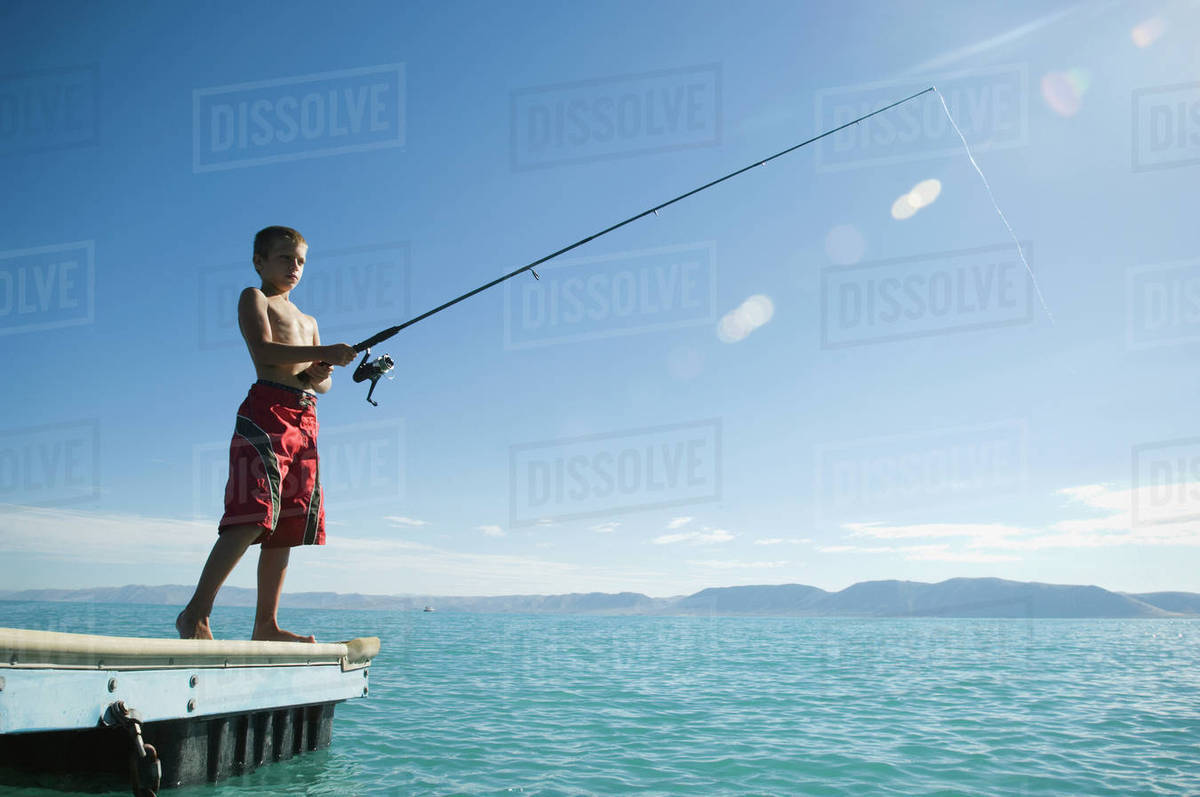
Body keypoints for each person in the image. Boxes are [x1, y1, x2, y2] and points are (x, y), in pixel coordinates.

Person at [177, 226, 356, 642]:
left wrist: (319, 370)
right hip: (267, 412)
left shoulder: (309, 321)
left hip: (305, 418)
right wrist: (322, 354)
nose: (294, 267)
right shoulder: (253, 298)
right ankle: (196, 613)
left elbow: (321, 385)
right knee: (252, 514)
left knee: (288, 526)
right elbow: (263, 352)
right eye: (284, 258)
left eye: (300, 262)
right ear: (260, 261)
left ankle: (266, 626)